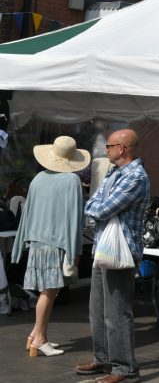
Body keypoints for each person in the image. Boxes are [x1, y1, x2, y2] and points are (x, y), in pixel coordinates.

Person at [75, 129, 151, 383]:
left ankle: (123, 367)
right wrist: (95, 207)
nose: (105, 150)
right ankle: (103, 358)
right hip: (103, 249)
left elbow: (103, 208)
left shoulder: (136, 177)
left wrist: (95, 208)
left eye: (109, 146)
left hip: (121, 252)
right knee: (97, 309)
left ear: (122, 148)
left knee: (117, 312)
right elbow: (93, 203)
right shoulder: (114, 173)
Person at [13, 136, 89, 357]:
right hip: (55, 242)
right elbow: (75, 218)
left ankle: (36, 334)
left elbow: (28, 213)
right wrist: (75, 249)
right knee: (49, 292)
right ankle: (39, 338)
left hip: (37, 240)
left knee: (49, 291)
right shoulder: (71, 181)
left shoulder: (38, 178)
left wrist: (22, 242)